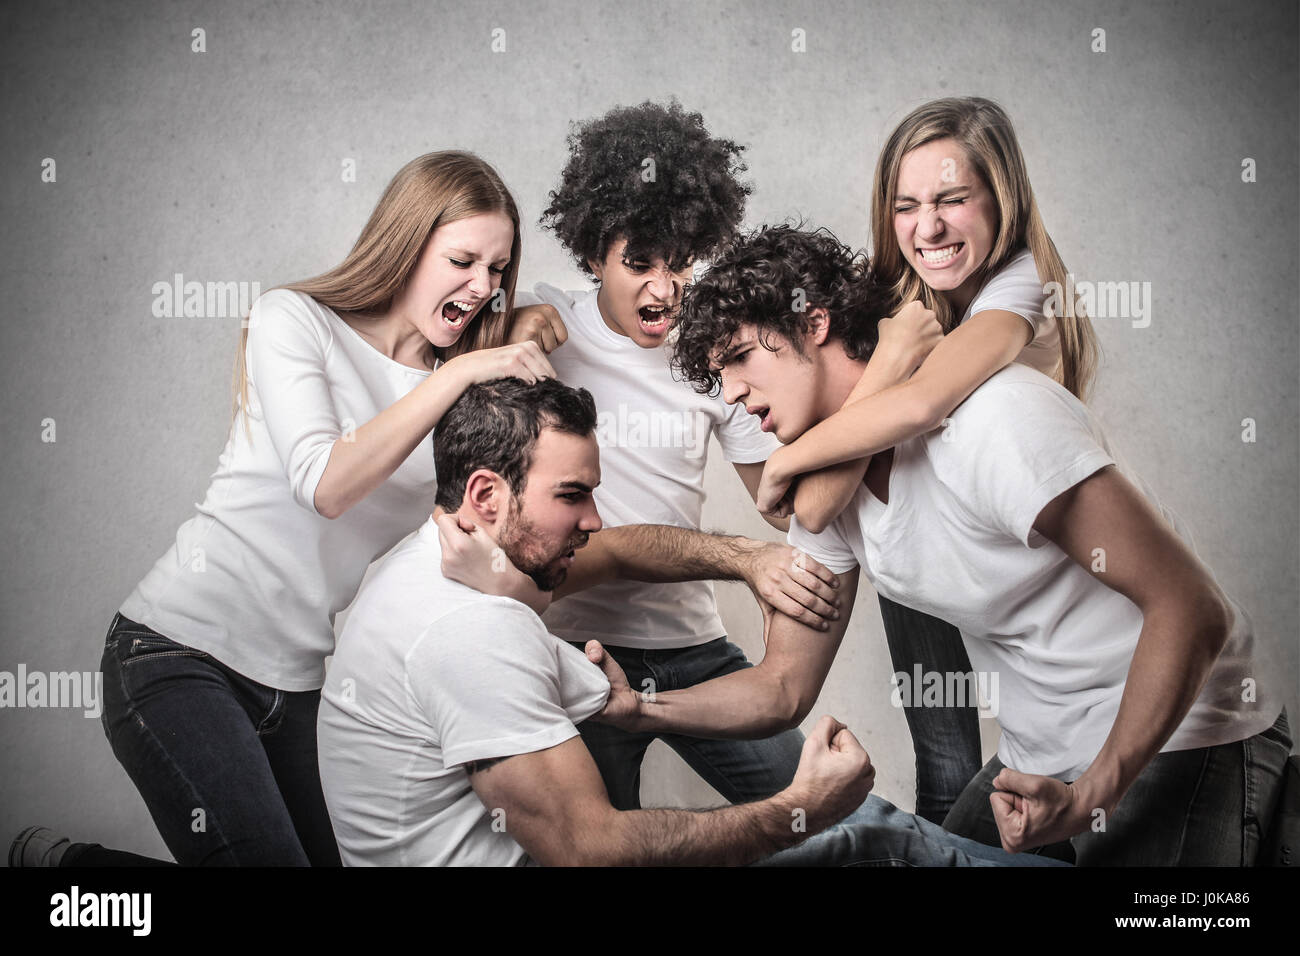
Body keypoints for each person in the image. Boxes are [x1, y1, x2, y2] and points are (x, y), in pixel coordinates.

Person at [596, 222, 1290, 866]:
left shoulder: (995, 421)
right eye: (720, 378)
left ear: (816, 322)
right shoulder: (826, 495)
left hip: (1187, 733)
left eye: (743, 358)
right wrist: (644, 709)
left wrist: (1095, 794)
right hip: (1040, 754)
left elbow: (1192, 607)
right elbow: (783, 687)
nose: (735, 394)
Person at [12, 150, 559, 867]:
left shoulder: (458, 389)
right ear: (405, 243)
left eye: (497, 270)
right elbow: (324, 482)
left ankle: (74, 869)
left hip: (300, 686)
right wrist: (463, 371)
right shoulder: (294, 320)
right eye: (462, 260)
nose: (482, 287)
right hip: (176, 653)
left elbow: (467, 541)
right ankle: (67, 872)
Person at [316, 375, 1066, 867]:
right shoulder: (472, 627)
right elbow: (592, 848)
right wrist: (797, 808)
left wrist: (742, 560)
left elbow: (617, 557)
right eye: (573, 496)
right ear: (486, 496)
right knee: (870, 841)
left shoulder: (437, 566)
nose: (594, 519)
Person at [507, 100, 937, 811]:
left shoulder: (717, 358)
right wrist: (511, 325)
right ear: (590, 255)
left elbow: (797, 501)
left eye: (679, 264)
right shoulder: (544, 326)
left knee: (824, 815)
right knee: (604, 850)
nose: (664, 288)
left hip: (689, 642)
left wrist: (882, 377)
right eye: (638, 263)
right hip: (574, 647)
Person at [757, 98, 1104, 824]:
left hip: (1002, 526)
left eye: (952, 199)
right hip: (916, 530)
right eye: (905, 205)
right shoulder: (904, 296)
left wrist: (789, 461)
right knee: (943, 751)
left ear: (1001, 199)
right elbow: (822, 509)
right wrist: (892, 354)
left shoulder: (1020, 282)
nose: (927, 226)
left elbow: (922, 405)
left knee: (965, 760)